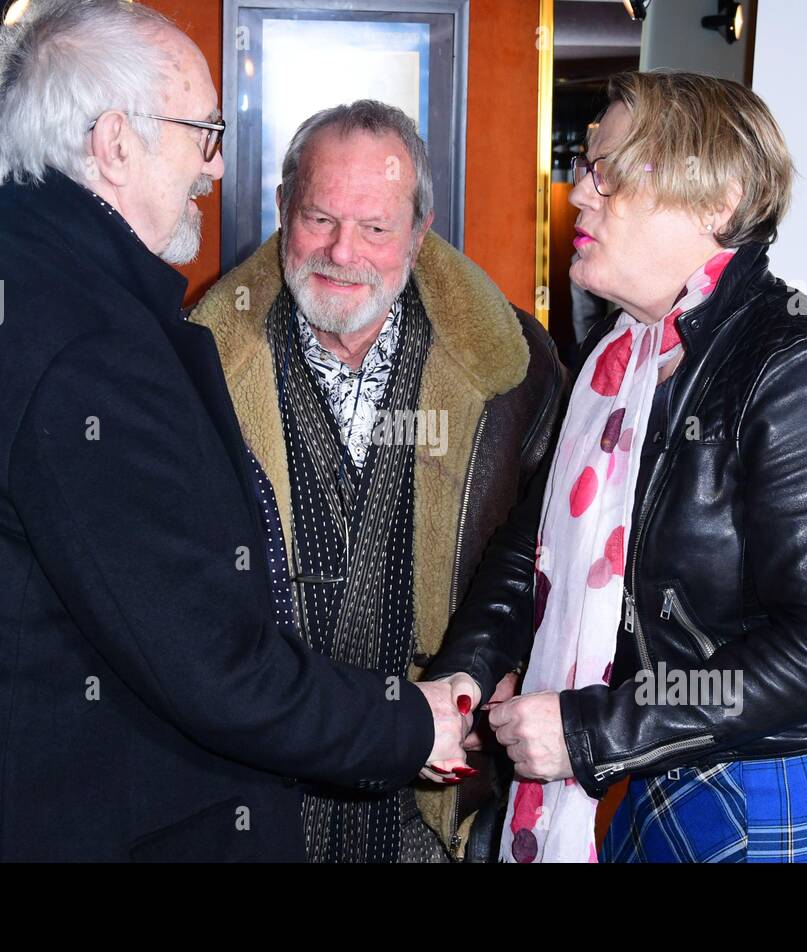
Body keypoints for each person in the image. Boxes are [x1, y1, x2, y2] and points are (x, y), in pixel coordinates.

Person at [0, 0, 466, 863]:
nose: (214, 165)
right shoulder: (88, 340)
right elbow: (207, 661)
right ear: (115, 142)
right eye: (203, 129)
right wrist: (407, 720)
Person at [429, 71, 807, 863]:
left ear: (718, 201)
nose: (578, 195)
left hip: (777, 789)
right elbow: (533, 550)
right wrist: (461, 676)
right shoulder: (617, 359)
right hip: (668, 775)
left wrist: (597, 730)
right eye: (584, 168)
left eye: (610, 171)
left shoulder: (796, 367)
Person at [190, 100, 563, 862]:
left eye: (376, 229)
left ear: (421, 234)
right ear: (282, 208)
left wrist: (503, 668)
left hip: (434, 814)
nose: (342, 252)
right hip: (255, 803)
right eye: (319, 219)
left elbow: (546, 556)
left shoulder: (517, 368)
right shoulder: (193, 366)